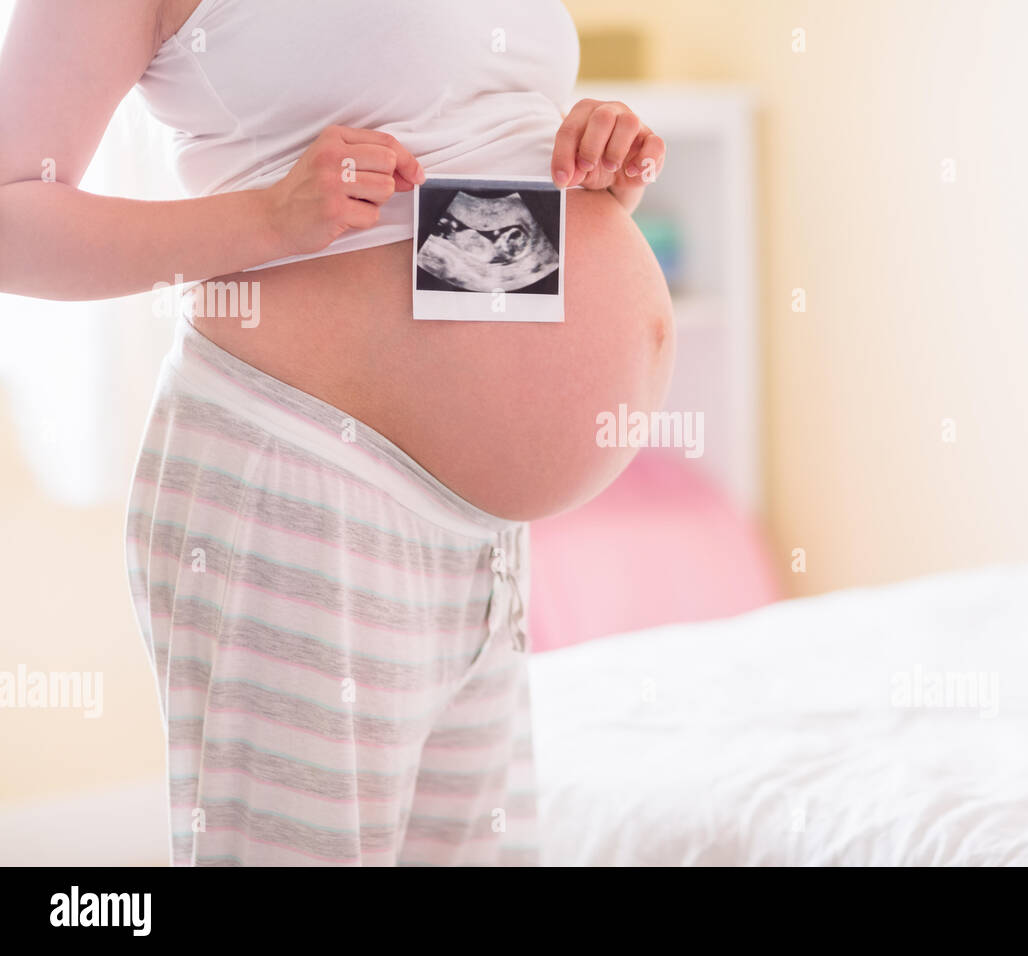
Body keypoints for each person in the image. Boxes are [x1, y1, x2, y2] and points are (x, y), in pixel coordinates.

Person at [0, 0, 674, 866]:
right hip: (302, 485)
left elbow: (457, 163)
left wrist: (595, 176)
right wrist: (269, 218)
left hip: (480, 538)